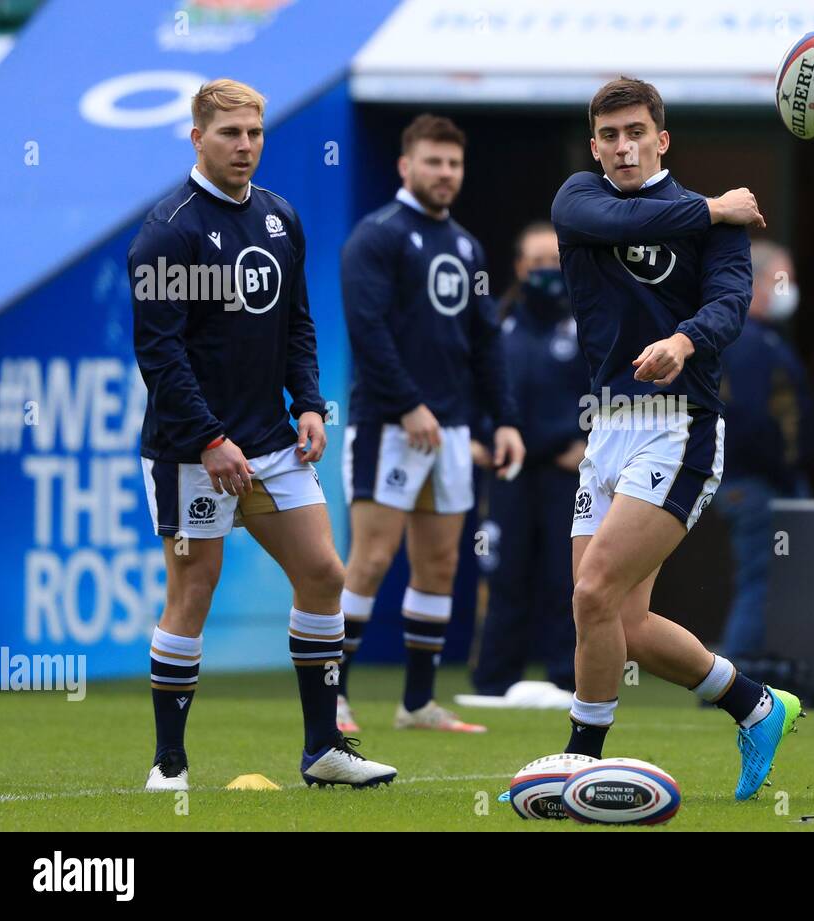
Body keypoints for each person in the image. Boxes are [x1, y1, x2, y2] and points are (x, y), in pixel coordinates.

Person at [129, 78, 395, 790]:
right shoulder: (169, 230)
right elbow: (160, 353)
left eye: (254, 133)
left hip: (274, 444)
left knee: (324, 575)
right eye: (229, 134)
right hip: (195, 450)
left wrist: (308, 401)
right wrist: (210, 439)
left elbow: (298, 323)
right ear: (197, 138)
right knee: (194, 589)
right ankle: (169, 764)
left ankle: (323, 751)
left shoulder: (280, 218)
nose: (244, 146)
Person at [549, 76, 803, 800]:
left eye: (636, 132)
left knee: (595, 591)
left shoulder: (719, 231)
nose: (622, 146)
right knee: (615, 617)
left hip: (679, 425)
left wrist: (684, 341)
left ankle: (578, 763)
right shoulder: (579, 200)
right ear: (595, 145)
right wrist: (714, 204)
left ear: (662, 139)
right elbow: (626, 225)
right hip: (606, 427)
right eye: (609, 135)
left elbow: (730, 307)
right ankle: (755, 703)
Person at [336, 113, 525, 734]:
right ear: (405, 166)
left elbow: (484, 340)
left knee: (440, 563)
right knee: (370, 558)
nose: (446, 174)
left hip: (451, 430)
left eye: (454, 164)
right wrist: (408, 403)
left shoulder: (467, 246)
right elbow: (367, 330)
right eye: (434, 162)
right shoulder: (378, 236)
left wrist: (502, 420)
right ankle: (330, 694)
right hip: (387, 424)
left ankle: (417, 703)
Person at [466, 222, 586, 708]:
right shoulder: (496, 326)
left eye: (553, 262)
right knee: (504, 572)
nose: (545, 273)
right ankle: (494, 682)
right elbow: (471, 390)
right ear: (519, 267)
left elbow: (614, 389)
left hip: (566, 472)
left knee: (567, 575)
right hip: (507, 473)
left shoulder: (586, 325)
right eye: (536, 263)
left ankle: (567, 680)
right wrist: (477, 439)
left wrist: (589, 440)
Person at [714, 240, 814, 659]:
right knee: (761, 581)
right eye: (781, 279)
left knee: (774, 582)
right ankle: (730, 682)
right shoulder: (747, 340)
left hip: (760, 481)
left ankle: (760, 679)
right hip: (754, 483)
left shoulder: (764, 338)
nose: (788, 288)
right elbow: (752, 419)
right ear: (754, 283)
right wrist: (783, 471)